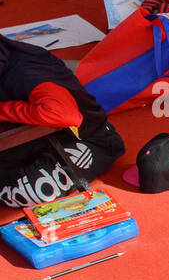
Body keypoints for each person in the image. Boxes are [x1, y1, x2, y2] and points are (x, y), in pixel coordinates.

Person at [0, 37, 125, 210]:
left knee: (26, 192)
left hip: (83, 139)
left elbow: (63, 114)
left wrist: (2, 111)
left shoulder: (24, 70)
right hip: (24, 139)